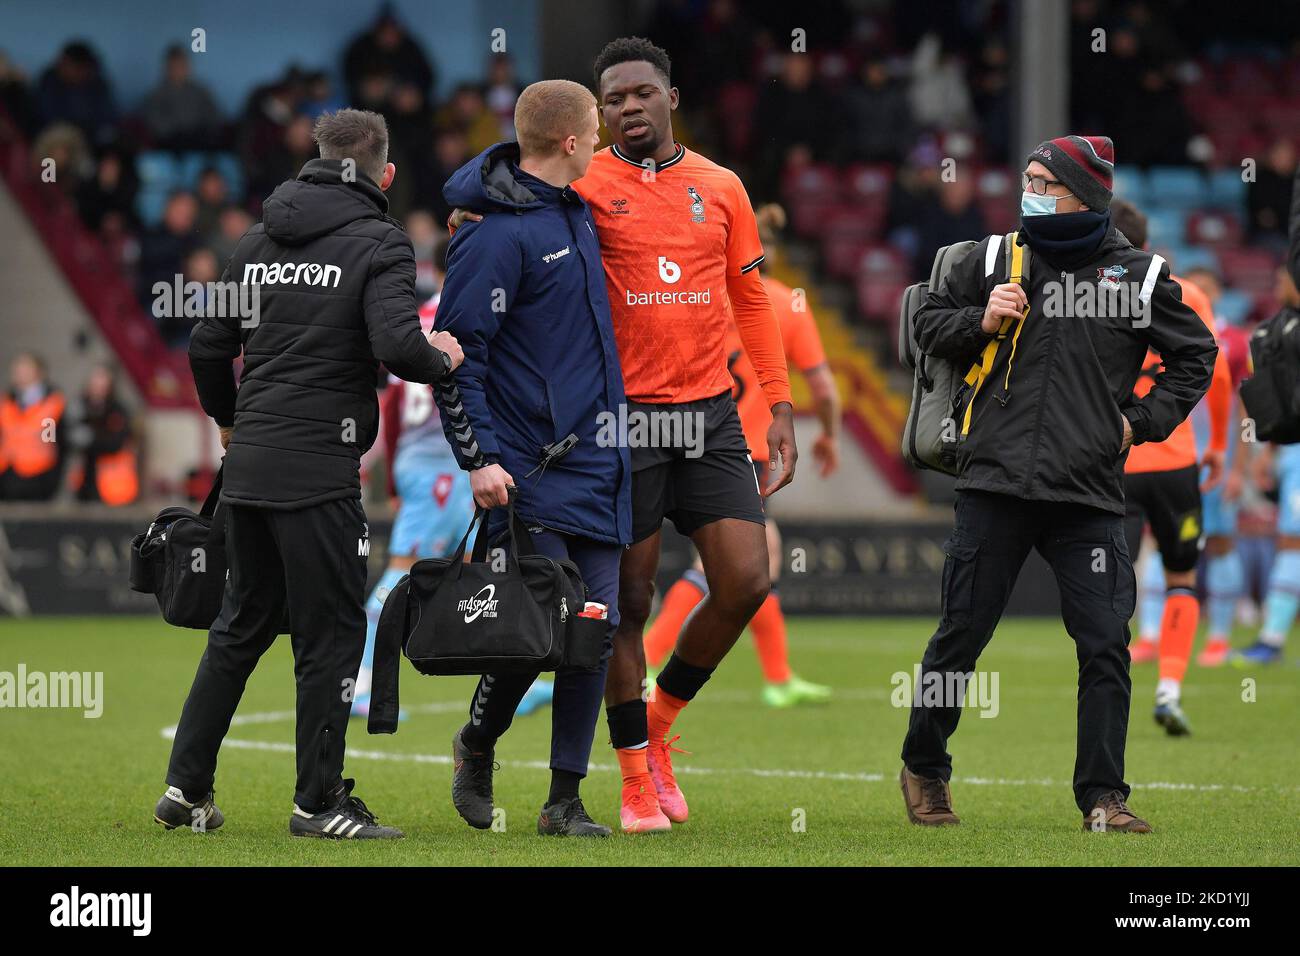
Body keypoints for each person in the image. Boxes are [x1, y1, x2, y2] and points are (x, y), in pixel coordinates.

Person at [450, 39, 798, 834]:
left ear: (673, 97)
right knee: (621, 606)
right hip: (617, 423)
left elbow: (751, 299)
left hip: (709, 413)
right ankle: (635, 784)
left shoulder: (724, 187)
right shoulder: (581, 188)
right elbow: (506, 185)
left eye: (643, 93)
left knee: (744, 581)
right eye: (614, 100)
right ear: (597, 118)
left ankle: (662, 721)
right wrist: (471, 208)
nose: (630, 107)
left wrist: (776, 402)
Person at [156, 108, 463, 840]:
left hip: (252, 467)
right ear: (383, 175)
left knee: (240, 626)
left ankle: (184, 790)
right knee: (329, 636)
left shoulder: (256, 240)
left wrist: (231, 423)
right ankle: (317, 804)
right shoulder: (380, 241)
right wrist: (444, 353)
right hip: (320, 470)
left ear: (316, 159)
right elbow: (398, 345)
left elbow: (205, 345)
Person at [899, 136, 1216, 833]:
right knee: (961, 637)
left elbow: (1196, 356)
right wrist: (979, 319)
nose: (1030, 191)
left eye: (1045, 181)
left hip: (1090, 493)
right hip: (993, 484)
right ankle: (925, 766)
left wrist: (1139, 422)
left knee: (1105, 642)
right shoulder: (992, 257)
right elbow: (922, 323)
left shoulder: (1138, 276)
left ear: (1086, 194)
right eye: (1029, 178)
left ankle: (1103, 797)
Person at [435, 80, 628, 837]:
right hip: (527, 468)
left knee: (594, 626)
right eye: (598, 129)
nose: (607, 139)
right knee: (536, 629)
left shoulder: (574, 209)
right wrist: (479, 460)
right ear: (574, 142)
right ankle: (476, 744)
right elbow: (457, 357)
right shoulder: (492, 233)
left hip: (601, 462)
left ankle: (563, 800)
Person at [643, 203, 840, 708]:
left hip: (679, 435)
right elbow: (824, 387)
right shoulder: (784, 304)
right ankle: (649, 661)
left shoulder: (696, 296)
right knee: (737, 565)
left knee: (750, 560)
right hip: (741, 452)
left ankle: (777, 678)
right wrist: (829, 436)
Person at [1107, 200, 1230, 736]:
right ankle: (1170, 688)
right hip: (1176, 461)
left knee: (1107, 580)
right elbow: (1216, 376)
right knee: (1182, 575)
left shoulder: (1086, 295)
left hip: (1116, 461)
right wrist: (1219, 443)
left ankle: (1109, 688)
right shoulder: (1188, 292)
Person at [350, 238, 472, 721]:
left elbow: (395, 407)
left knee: (474, 568)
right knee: (402, 570)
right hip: (441, 465)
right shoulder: (463, 320)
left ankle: (506, 678)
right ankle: (356, 680)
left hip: (432, 464)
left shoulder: (416, 319)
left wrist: (396, 476)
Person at [1234, 263, 1300, 664]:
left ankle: (1271, 641)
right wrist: (1269, 451)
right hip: (1291, 451)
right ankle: (1271, 638)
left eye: (1283, 279)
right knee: (1290, 540)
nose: (1276, 286)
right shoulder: (1281, 332)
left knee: (1293, 542)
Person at [69, 364, 138, 506]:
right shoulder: (79, 407)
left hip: (113, 485)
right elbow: (66, 438)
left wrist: (91, 438)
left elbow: (115, 443)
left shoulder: (118, 411)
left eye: (102, 379)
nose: (98, 384)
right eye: (95, 379)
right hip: (85, 482)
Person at [0, 353, 65, 501]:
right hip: (8, 473)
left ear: (39, 372)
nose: (20, 373)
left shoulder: (52, 402)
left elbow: (56, 441)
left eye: (26, 368)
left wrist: (53, 478)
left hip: (39, 475)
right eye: (17, 369)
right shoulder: (7, 401)